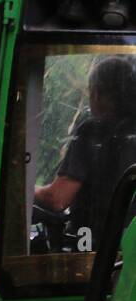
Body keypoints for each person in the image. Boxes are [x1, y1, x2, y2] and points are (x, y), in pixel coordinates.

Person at [35, 55, 136, 241]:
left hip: (93, 253)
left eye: (90, 92)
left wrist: (27, 191)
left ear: (97, 93)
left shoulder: (93, 130)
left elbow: (57, 198)